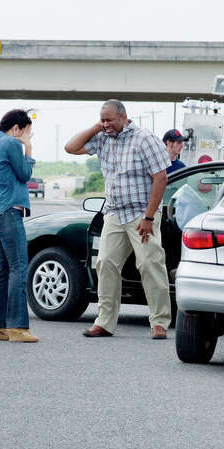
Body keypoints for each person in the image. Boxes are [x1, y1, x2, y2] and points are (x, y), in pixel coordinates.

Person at [65, 100, 171, 340]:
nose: (106, 124)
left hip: (141, 214)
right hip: (114, 212)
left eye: (109, 120)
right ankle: (104, 322)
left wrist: (149, 217)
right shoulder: (102, 138)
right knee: (105, 263)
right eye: (102, 120)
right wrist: (96, 127)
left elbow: (161, 178)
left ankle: (159, 322)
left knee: (149, 264)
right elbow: (70, 147)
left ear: (124, 117)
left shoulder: (145, 139)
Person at [0, 109, 38, 342]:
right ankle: (18, 327)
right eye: (27, 132)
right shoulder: (11, 143)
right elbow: (25, 174)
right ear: (16, 128)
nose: (28, 136)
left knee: (1, 270)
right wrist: (28, 148)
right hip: (8, 212)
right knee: (18, 268)